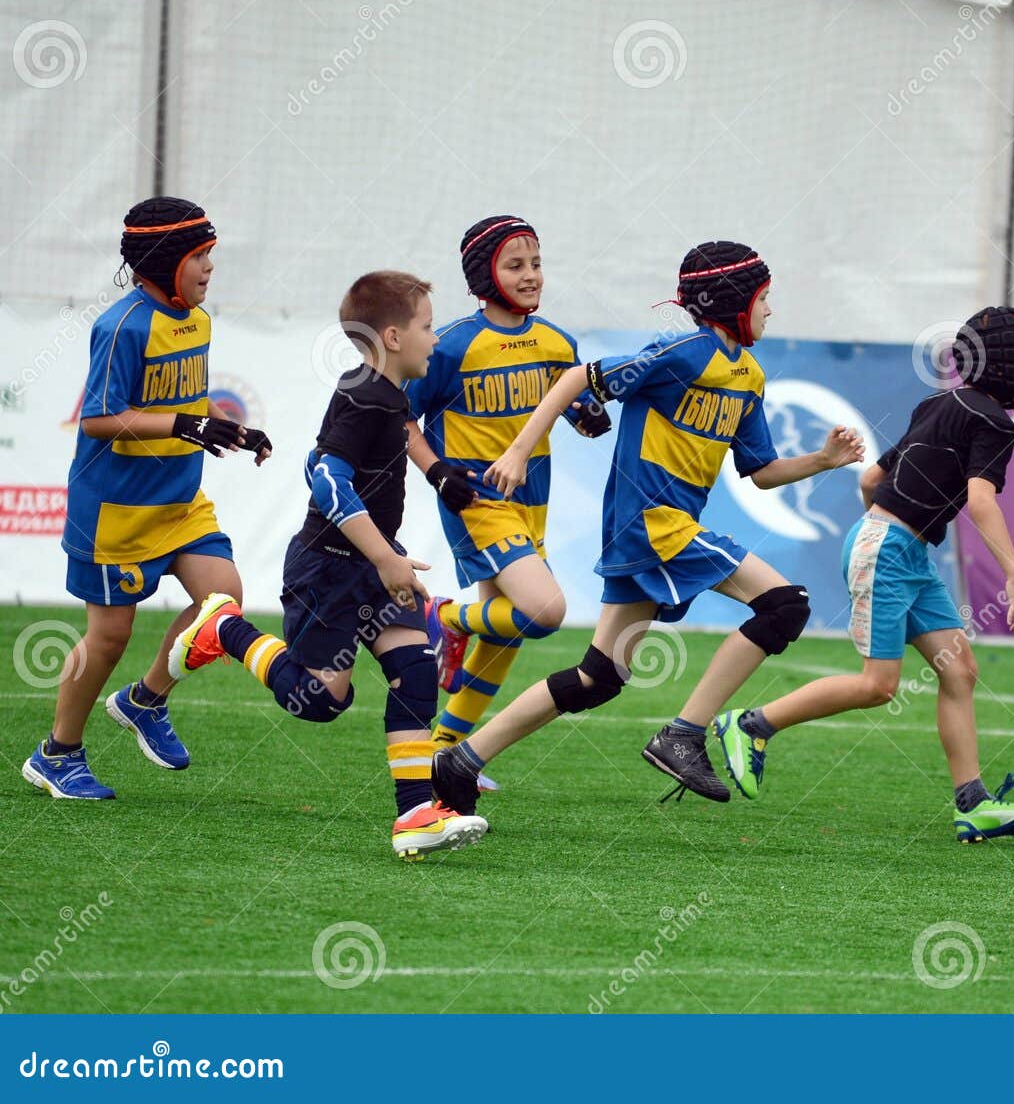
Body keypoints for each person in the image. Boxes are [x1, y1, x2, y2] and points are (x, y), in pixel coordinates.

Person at [431, 241, 862, 816]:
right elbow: (577, 381)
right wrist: (518, 451)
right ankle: (684, 734)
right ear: (737, 301)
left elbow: (760, 473)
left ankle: (461, 762)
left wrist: (823, 460)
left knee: (599, 676)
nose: (770, 310)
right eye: (765, 298)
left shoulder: (748, 374)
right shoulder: (683, 352)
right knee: (786, 606)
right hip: (653, 526)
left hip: (664, 531)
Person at [166, 271, 487, 859]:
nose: (435, 338)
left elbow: (337, 454)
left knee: (416, 669)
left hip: (365, 568)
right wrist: (386, 555)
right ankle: (223, 628)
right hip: (328, 571)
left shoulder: (385, 392)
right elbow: (329, 482)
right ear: (392, 336)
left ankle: (415, 813)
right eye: (427, 326)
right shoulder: (366, 397)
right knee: (319, 702)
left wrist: (435, 472)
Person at [715, 308, 1014, 843]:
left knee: (959, 670)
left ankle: (973, 804)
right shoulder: (993, 422)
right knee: (878, 686)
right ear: (1004, 366)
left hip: (897, 551)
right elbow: (981, 500)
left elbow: (873, 478)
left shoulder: (938, 404)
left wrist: (883, 528)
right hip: (891, 552)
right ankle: (751, 725)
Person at [22, 197, 270, 800]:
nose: (210, 267)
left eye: (211, 255)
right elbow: (101, 421)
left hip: (180, 503)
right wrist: (187, 426)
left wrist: (227, 427)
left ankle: (146, 699)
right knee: (109, 638)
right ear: (164, 262)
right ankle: (58, 754)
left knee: (223, 601)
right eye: (199, 256)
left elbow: (186, 399)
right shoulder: (121, 325)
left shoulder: (199, 321)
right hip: (114, 512)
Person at [405, 216, 610, 788]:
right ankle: (439, 615)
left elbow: (564, 404)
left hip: (532, 500)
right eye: (515, 265)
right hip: (475, 497)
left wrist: (584, 416)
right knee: (545, 612)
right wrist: (437, 472)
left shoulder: (556, 341)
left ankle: (445, 749)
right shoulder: (449, 345)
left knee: (507, 628)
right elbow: (399, 415)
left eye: (536, 263)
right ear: (483, 274)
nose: (530, 276)